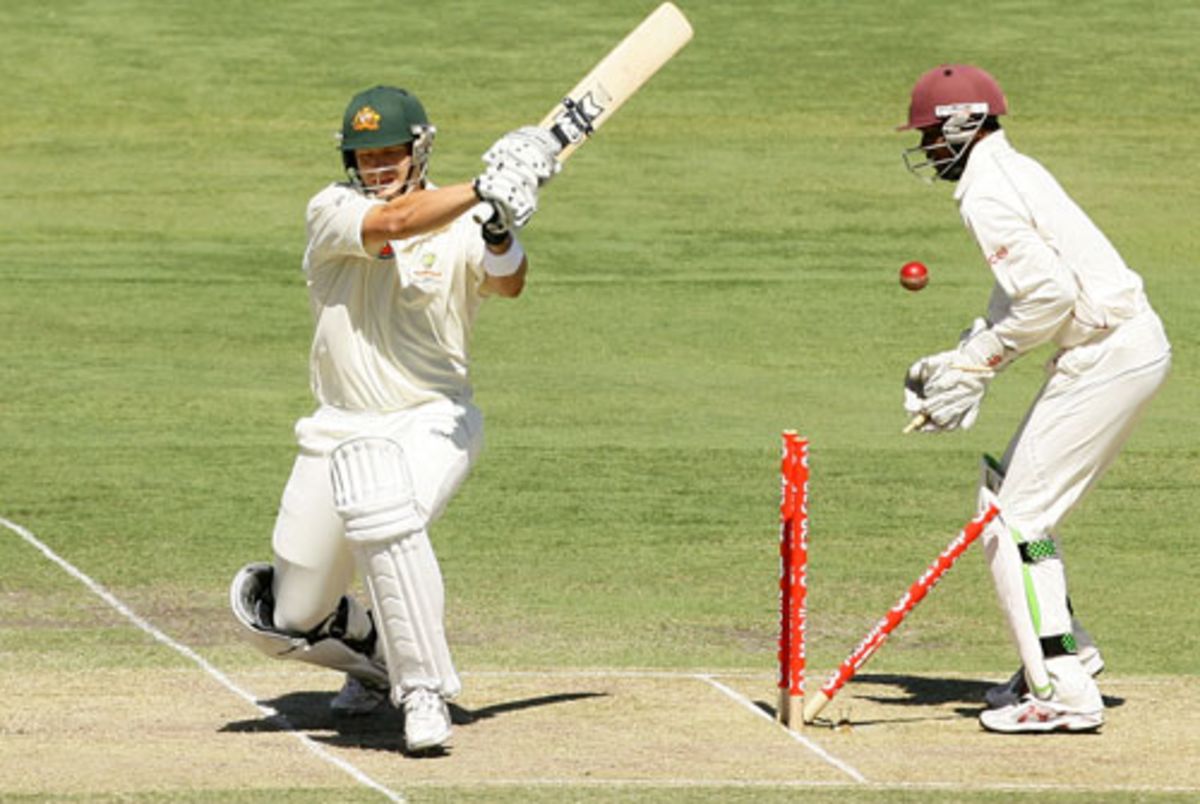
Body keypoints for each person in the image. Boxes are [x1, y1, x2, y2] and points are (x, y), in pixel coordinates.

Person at [229, 85, 563, 753]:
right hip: (337, 427)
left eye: (390, 155)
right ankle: (376, 657)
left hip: (431, 419)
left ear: (419, 151)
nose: (378, 168)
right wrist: (483, 188)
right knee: (285, 617)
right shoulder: (332, 209)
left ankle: (423, 691)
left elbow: (509, 282)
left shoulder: (468, 219)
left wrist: (499, 225)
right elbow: (394, 224)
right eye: (366, 156)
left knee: (383, 511)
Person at [897, 65, 1171, 733]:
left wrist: (982, 363)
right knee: (1012, 504)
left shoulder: (986, 192)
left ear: (962, 126)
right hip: (1114, 351)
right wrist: (969, 357)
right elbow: (1024, 289)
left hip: (1108, 355)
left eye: (930, 134)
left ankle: (1064, 692)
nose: (926, 146)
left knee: (1015, 521)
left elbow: (1050, 296)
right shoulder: (1008, 170)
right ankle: (1066, 649)